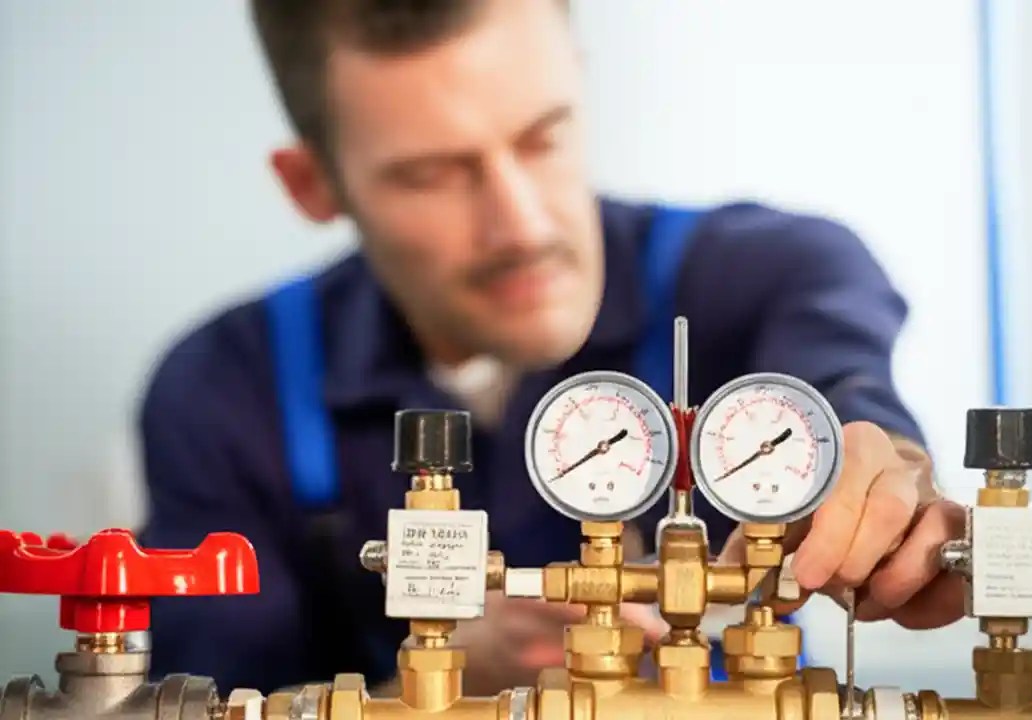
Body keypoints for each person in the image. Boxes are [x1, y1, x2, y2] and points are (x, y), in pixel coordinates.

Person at [135, 0, 967, 698]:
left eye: (543, 135)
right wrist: (436, 690)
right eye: (432, 174)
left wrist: (882, 474)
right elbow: (213, 702)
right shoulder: (223, 391)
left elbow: (843, 387)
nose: (524, 226)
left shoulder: (770, 274)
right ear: (313, 185)